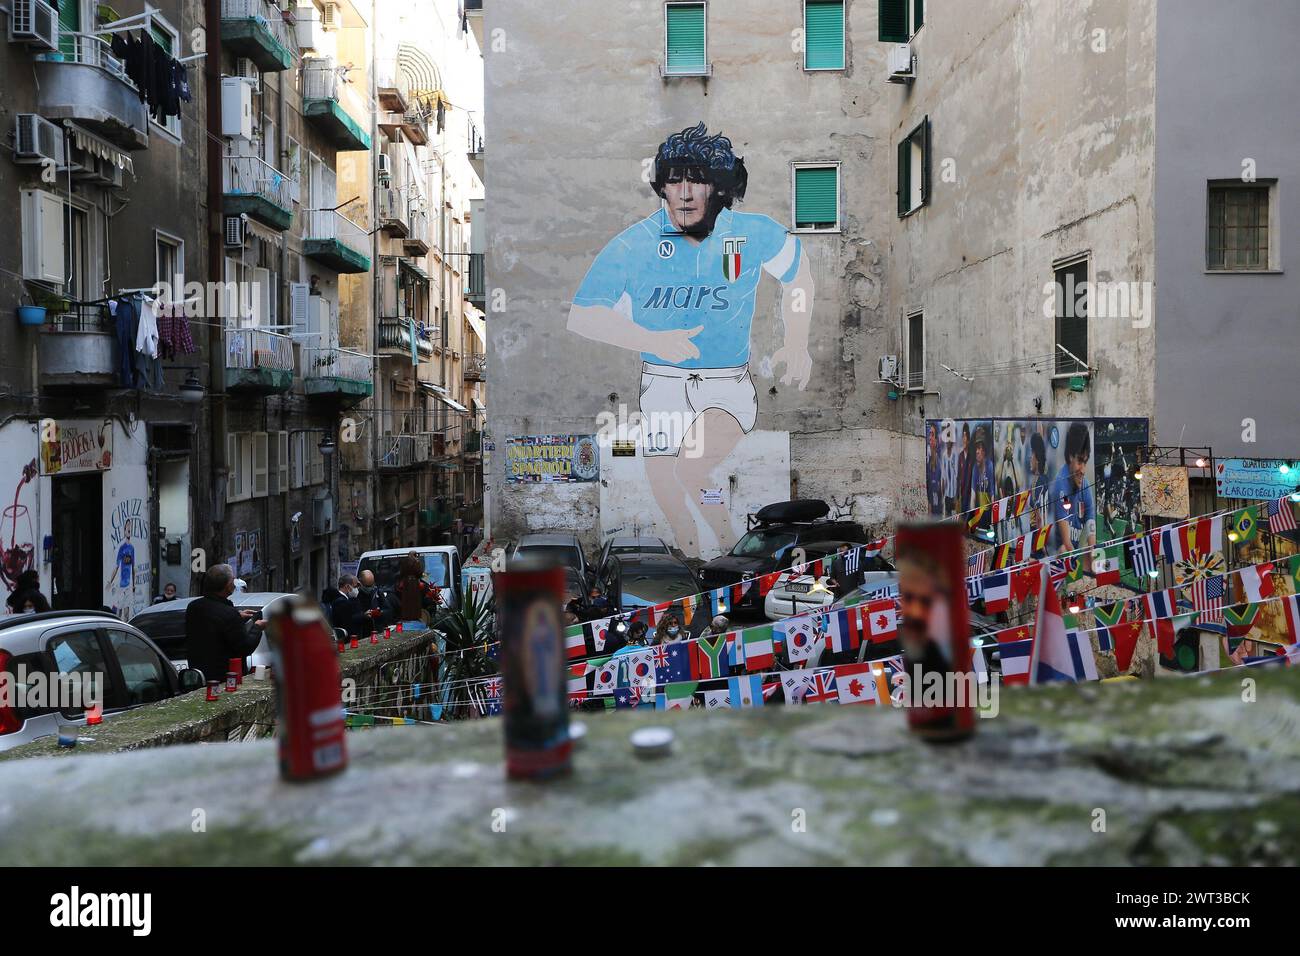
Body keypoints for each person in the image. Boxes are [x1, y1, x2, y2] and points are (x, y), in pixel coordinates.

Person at [567, 122, 814, 555]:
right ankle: (691, 553)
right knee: (661, 478)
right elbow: (584, 314)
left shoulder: (750, 232)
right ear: (661, 187)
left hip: (726, 384)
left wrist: (797, 342)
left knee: (691, 469)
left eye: (696, 180)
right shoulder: (636, 243)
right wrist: (651, 338)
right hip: (661, 381)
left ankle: (728, 548)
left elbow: (799, 274)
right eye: (674, 180)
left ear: (717, 189)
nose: (684, 191)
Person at [184, 564, 262, 683]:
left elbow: (214, 627)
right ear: (227, 586)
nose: (234, 583)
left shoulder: (193, 607)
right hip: (224, 679)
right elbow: (245, 647)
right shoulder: (228, 614)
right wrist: (257, 627)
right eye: (233, 580)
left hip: (199, 677)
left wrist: (237, 617)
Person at [1050, 421, 1095, 558]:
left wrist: (1093, 551)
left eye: (1085, 462)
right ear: (1070, 457)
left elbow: (1090, 517)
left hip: (1071, 554)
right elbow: (1066, 543)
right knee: (1063, 549)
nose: (1083, 470)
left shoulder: (1085, 484)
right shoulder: (1061, 486)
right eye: (1080, 462)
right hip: (1055, 555)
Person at [329, 574, 367, 639]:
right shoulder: (342, 601)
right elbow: (349, 622)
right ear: (347, 586)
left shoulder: (342, 599)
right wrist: (363, 615)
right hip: (345, 639)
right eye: (355, 587)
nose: (357, 589)